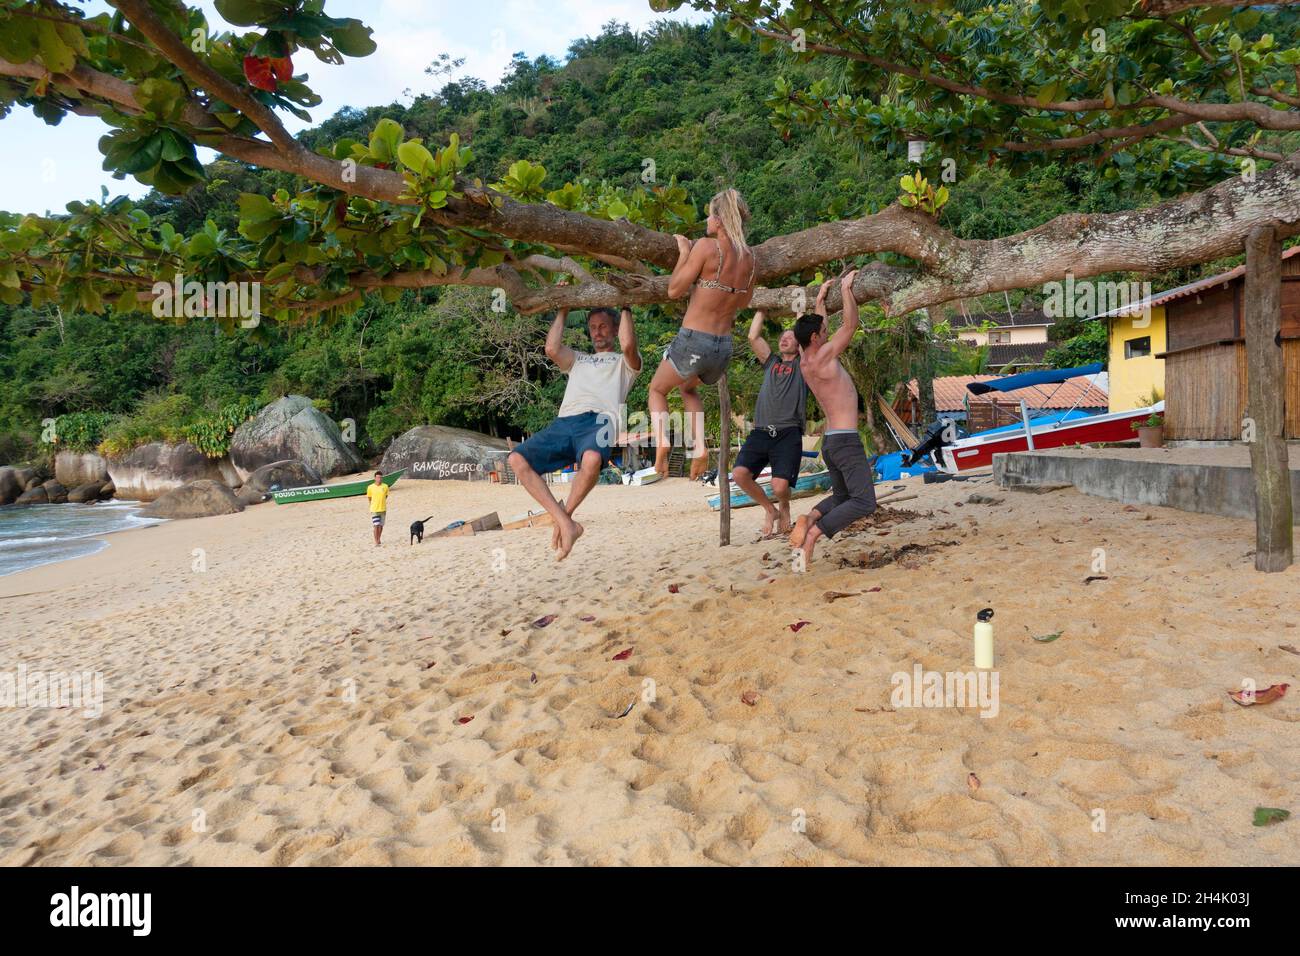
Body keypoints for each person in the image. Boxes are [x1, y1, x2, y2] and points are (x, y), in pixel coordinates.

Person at [507, 304, 640, 560]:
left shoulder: (625, 362)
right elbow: (551, 349)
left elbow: (628, 345)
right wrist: (563, 309)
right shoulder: (578, 359)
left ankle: (564, 520)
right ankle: (567, 524)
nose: (597, 333)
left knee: (591, 460)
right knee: (516, 459)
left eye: (603, 327)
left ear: (615, 328)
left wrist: (625, 306)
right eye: (592, 328)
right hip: (566, 421)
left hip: (601, 420)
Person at [649, 188, 756, 479]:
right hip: (723, 349)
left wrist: (684, 253)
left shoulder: (707, 247)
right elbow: (744, 302)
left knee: (657, 389)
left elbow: (673, 290)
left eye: (710, 214)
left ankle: (661, 442)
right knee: (688, 388)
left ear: (720, 220)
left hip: (695, 340)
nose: (706, 220)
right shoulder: (749, 258)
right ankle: (698, 448)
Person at [789, 269, 877, 565]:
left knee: (842, 497)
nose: (827, 334)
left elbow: (816, 327)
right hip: (847, 441)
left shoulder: (804, 360)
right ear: (815, 338)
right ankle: (815, 532)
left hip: (830, 443)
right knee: (864, 501)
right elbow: (851, 325)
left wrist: (821, 299)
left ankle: (809, 516)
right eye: (823, 333)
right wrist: (847, 289)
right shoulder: (825, 355)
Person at [731, 309, 809, 536]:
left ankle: (784, 504)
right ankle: (769, 509)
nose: (785, 339)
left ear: (800, 343)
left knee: (780, 487)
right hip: (761, 432)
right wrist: (761, 308)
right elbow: (753, 337)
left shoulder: (802, 365)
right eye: (783, 336)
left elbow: (804, 337)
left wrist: (800, 314)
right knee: (739, 474)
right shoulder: (771, 362)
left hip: (788, 432)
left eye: (791, 337)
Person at [366, 470, 389, 547]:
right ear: (375, 478)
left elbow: (386, 496)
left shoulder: (385, 486)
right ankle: (376, 541)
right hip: (374, 509)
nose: (379, 479)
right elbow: (369, 498)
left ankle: (379, 539)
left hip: (383, 509)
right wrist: (372, 505)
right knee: (376, 525)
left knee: (381, 526)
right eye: (378, 477)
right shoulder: (370, 487)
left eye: (380, 477)